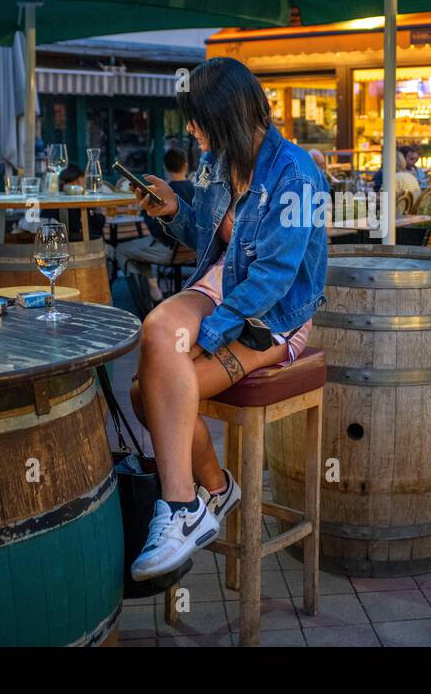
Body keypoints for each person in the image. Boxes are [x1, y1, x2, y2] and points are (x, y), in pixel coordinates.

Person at [126, 57, 328, 581]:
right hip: (224, 288)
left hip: (272, 314)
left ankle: (191, 502)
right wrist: (173, 211)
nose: (190, 130)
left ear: (227, 115)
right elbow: (210, 238)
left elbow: (275, 279)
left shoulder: (296, 174)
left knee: (150, 388)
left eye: (197, 119)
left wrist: (207, 338)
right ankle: (202, 498)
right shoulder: (218, 164)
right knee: (157, 333)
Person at [113, 147, 195, 299]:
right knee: (138, 251)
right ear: (186, 166)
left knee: (122, 250)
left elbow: (157, 232)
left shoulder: (165, 192)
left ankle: (144, 301)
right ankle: (154, 290)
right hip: (191, 252)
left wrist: (146, 212)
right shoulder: (195, 188)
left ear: (164, 167)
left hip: (169, 251)